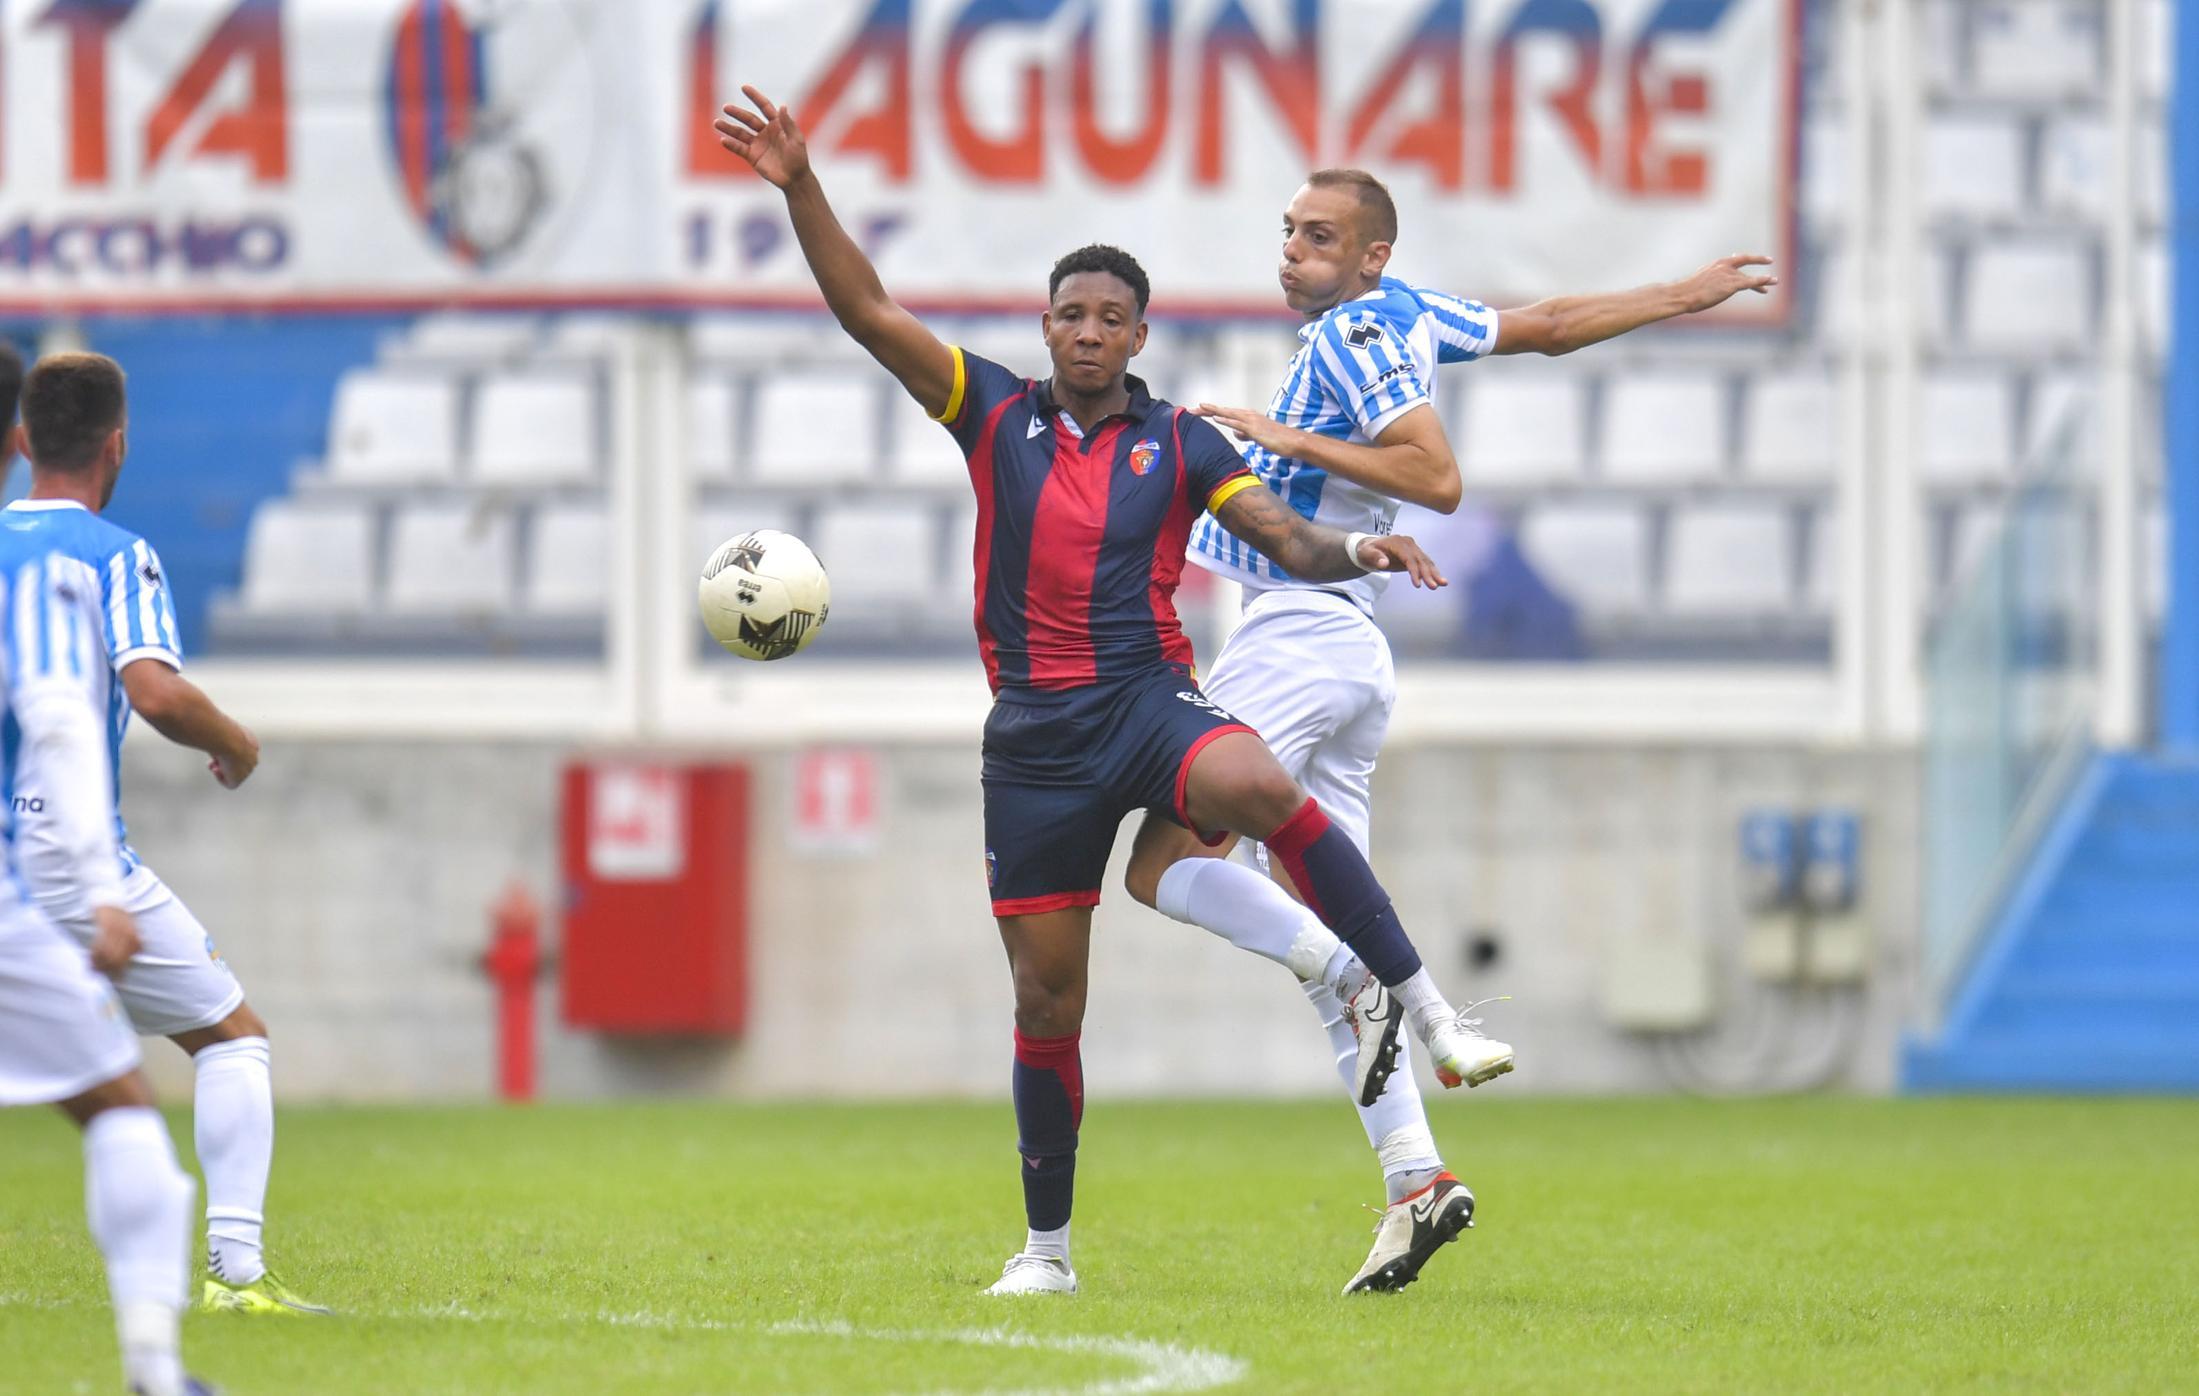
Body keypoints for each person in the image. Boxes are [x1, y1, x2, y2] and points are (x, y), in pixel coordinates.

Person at [716, 87, 1496, 1297]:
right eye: (1070, 313)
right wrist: (801, 185)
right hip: (1032, 741)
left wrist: (1357, 550)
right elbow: (868, 310)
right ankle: (1048, 1253)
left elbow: (1285, 537)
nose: (1088, 330)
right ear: (1047, 326)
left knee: (1254, 777)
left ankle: (1386, 983)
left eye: (1111, 316)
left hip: (1145, 701)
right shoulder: (991, 411)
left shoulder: (1184, 441)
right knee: (1046, 995)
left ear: (1138, 336)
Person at [1122, 167, 1778, 1292]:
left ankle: (1397, 987)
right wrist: (1678, 291)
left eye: (1319, 236)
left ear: (1369, 253)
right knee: (1329, 921)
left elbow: (1437, 477)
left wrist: (1283, 435)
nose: (1293, 251)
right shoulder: (1410, 310)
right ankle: (1418, 1180)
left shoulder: (1352, 333)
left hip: (1298, 635)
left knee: (1162, 863)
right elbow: (1551, 324)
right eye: (1288, 232)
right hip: (1351, 647)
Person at [2, 351, 328, 1317]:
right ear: (117, 444)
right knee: (232, 1038)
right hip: (65, 860)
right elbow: (154, 691)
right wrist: (237, 743)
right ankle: (234, 1276)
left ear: (23, 444)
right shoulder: (114, 553)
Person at [0, 345, 217, 1396]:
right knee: (124, 1112)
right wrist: (95, 883)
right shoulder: (50, 574)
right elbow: (60, 724)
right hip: (17, 898)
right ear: (13, 440)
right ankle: (152, 1367)